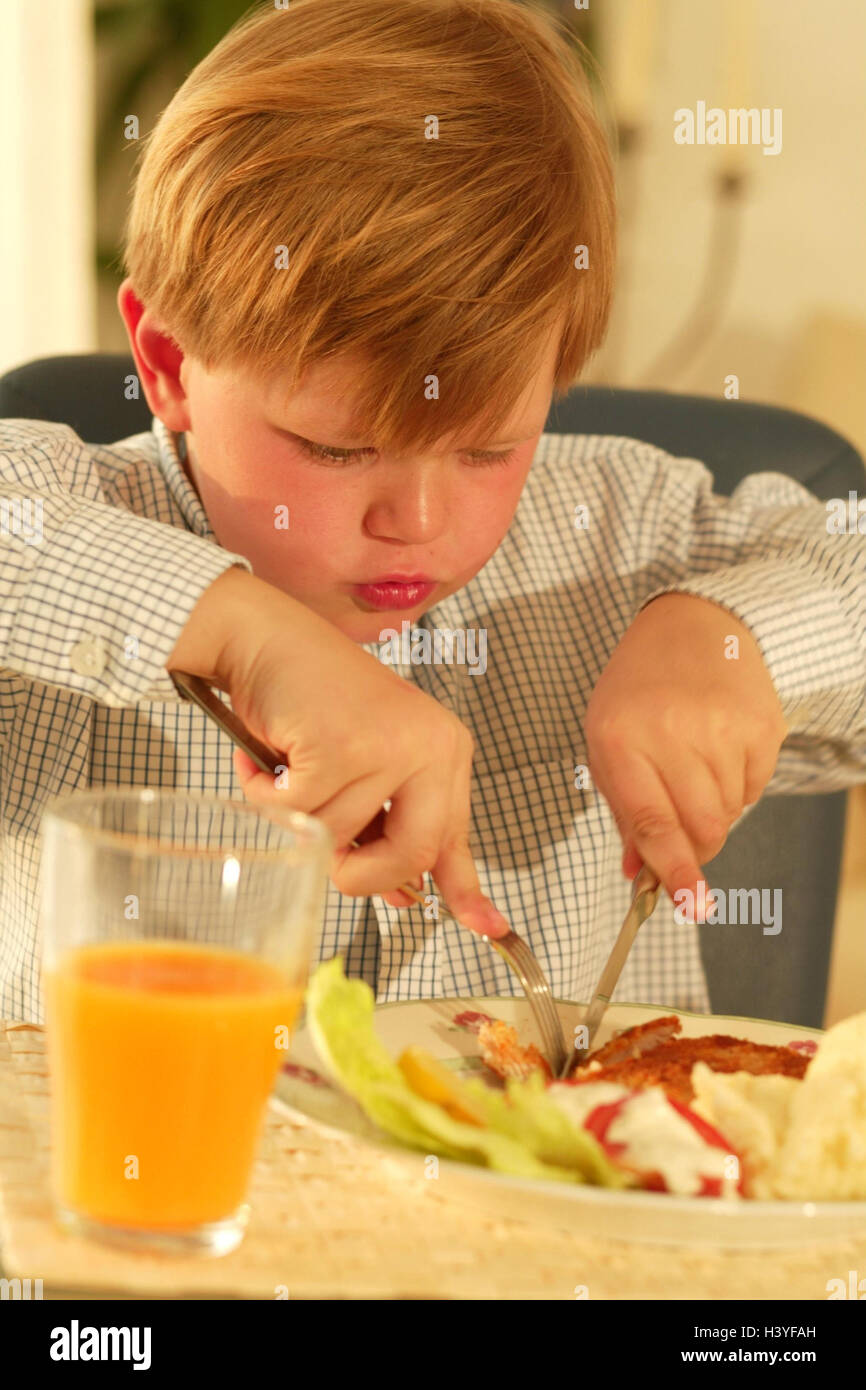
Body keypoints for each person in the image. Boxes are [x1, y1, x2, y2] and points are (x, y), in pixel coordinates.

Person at [1, 0, 863, 1022]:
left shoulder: (623, 537)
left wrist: (732, 639)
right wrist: (247, 637)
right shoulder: (76, 508)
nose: (415, 519)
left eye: (489, 447)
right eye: (335, 447)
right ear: (166, 361)